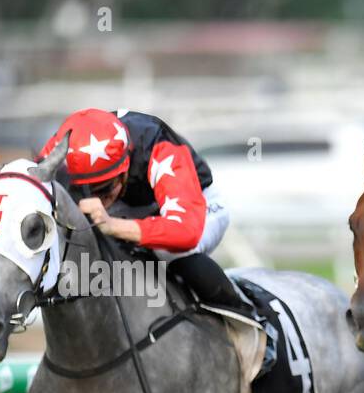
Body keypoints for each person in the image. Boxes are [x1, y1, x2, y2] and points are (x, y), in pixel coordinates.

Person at [37, 107, 247, 320]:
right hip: (128, 208)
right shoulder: (60, 149)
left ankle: (246, 324)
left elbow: (185, 232)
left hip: (196, 206)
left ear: (125, 167)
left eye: (105, 189)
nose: (97, 200)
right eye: (86, 190)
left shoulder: (159, 146)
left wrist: (113, 226)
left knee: (169, 252)